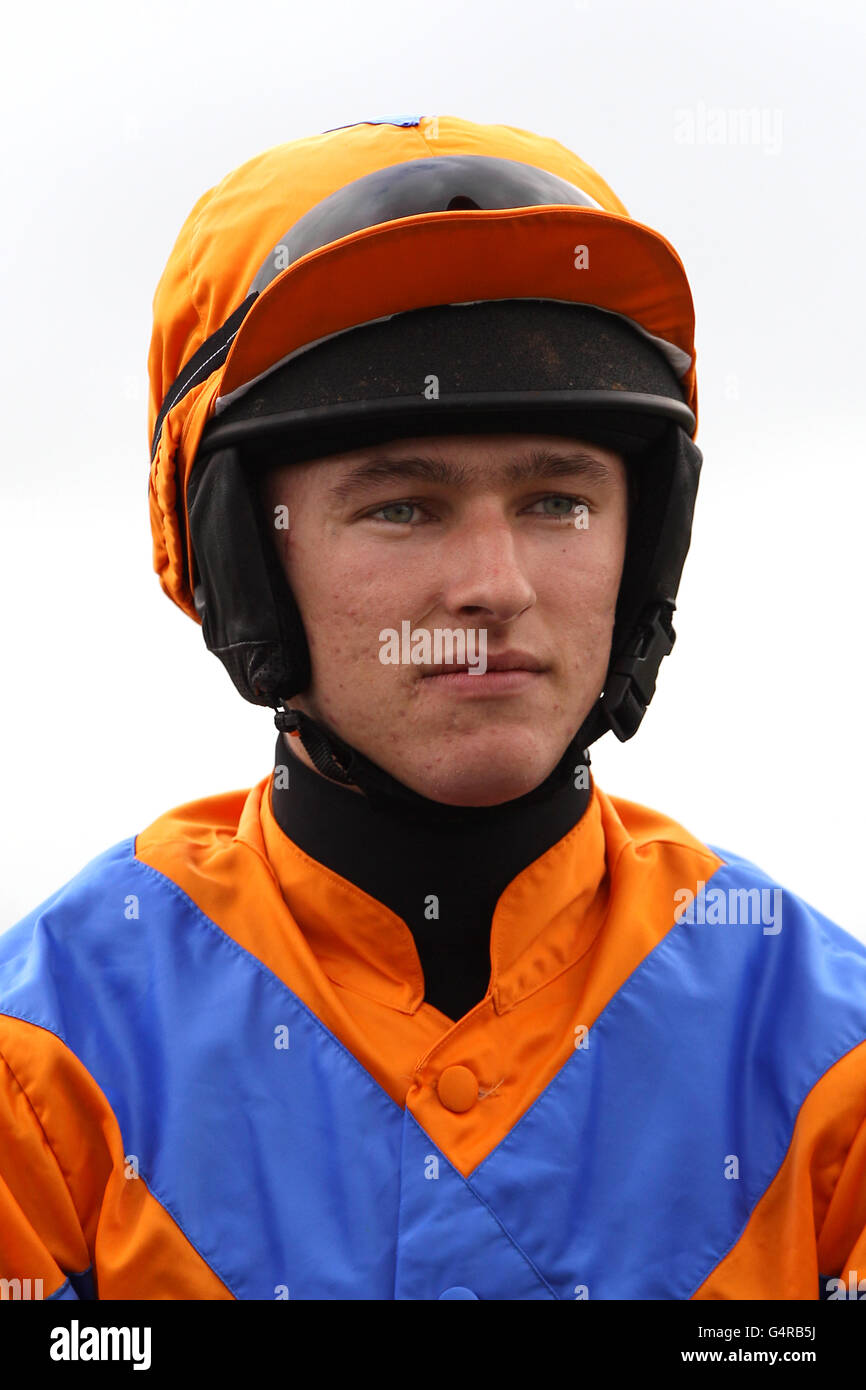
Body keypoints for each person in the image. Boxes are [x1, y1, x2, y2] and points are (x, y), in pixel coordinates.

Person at [1, 115, 864, 1303]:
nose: (494, 586)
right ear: (239, 557)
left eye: (557, 501)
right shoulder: (45, 1065)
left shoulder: (831, 1060)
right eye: (401, 507)